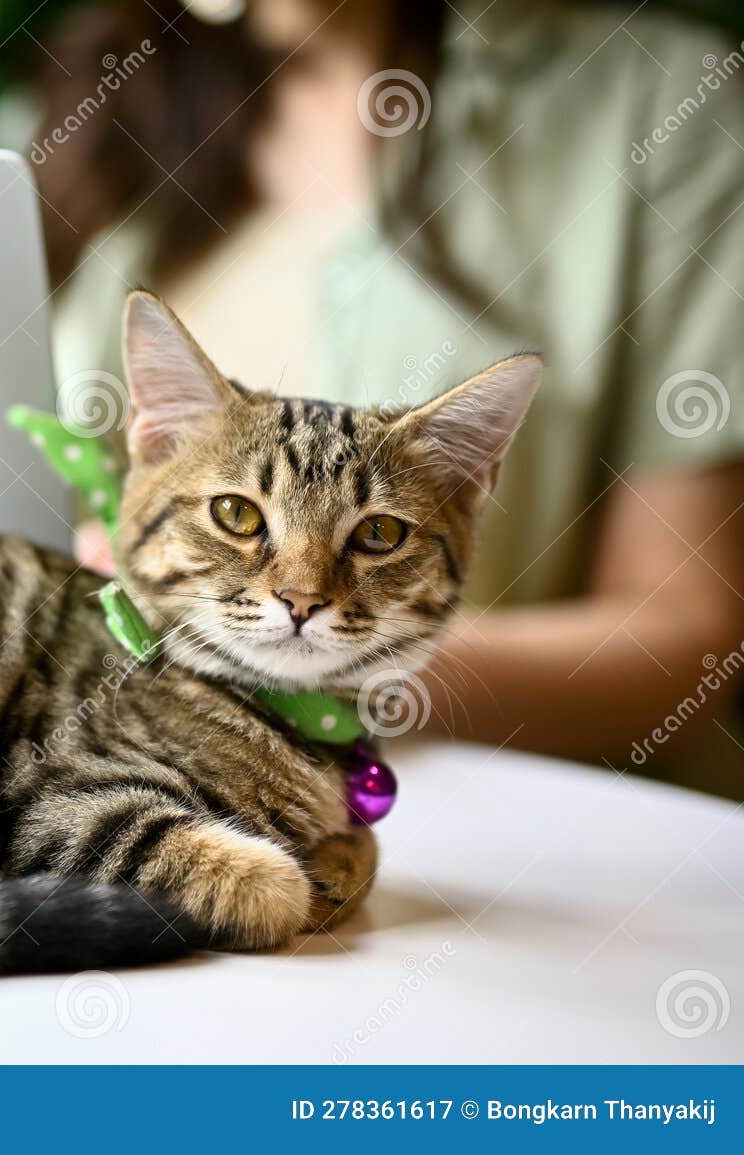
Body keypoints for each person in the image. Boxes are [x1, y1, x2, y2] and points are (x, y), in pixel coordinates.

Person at [37, 0, 744, 797]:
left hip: (526, 836)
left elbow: (686, 636)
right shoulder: (106, 89)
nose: (300, 588)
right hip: (120, 779)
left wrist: (306, 672)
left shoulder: (656, 97)